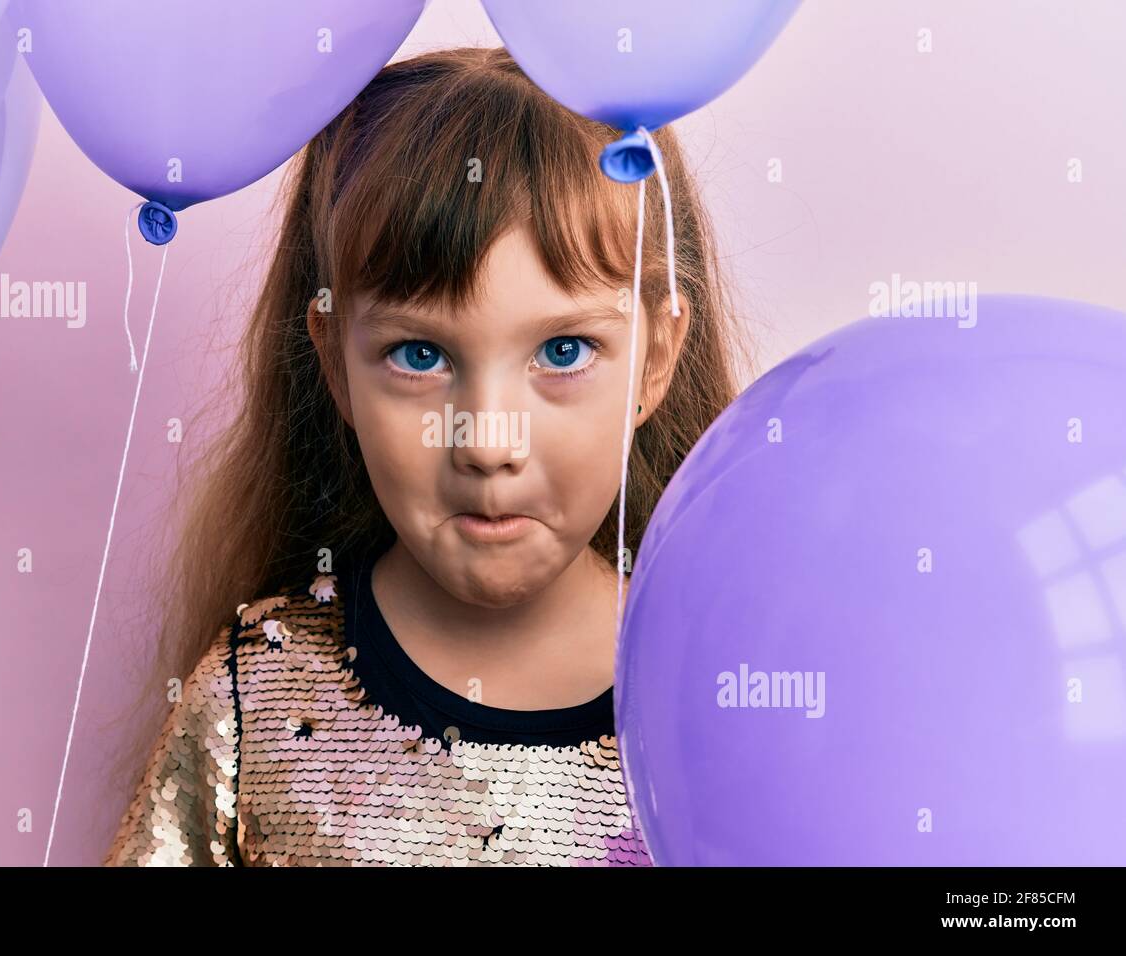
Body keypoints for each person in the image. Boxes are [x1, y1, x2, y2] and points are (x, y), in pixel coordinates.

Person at [105, 46, 746, 866]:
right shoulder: (257, 699)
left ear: (655, 360)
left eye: (562, 351)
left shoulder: (726, 697)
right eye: (419, 356)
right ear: (336, 361)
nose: (487, 444)